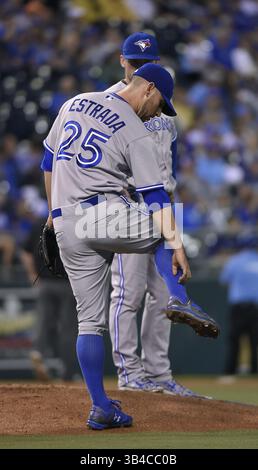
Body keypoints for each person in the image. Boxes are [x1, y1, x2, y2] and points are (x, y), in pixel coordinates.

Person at [41, 63, 219, 430]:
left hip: (64, 222)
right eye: (161, 104)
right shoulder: (134, 128)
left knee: (89, 322)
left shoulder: (76, 102)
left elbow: (47, 161)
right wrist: (178, 245)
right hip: (100, 211)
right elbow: (154, 195)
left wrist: (51, 216)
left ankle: (101, 407)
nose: (159, 112)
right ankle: (179, 298)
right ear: (149, 89)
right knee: (162, 228)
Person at [108, 32, 204, 396]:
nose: (137, 66)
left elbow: (171, 166)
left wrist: (171, 211)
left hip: (162, 202)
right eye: (132, 60)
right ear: (122, 60)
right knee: (127, 293)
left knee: (166, 293)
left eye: (145, 61)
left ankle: (159, 374)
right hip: (126, 201)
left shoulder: (166, 109)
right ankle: (129, 374)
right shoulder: (109, 101)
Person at [20, 218, 80, 381]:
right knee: (69, 330)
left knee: (44, 322)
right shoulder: (71, 221)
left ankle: (38, 352)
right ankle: (68, 372)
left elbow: (25, 253)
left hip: (45, 282)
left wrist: (32, 274)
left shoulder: (38, 223)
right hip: (68, 284)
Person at [220, 247, 258, 375]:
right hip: (255, 307)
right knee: (255, 342)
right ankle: (254, 372)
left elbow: (224, 280)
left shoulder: (235, 261)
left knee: (234, 340)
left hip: (238, 307)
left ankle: (230, 372)